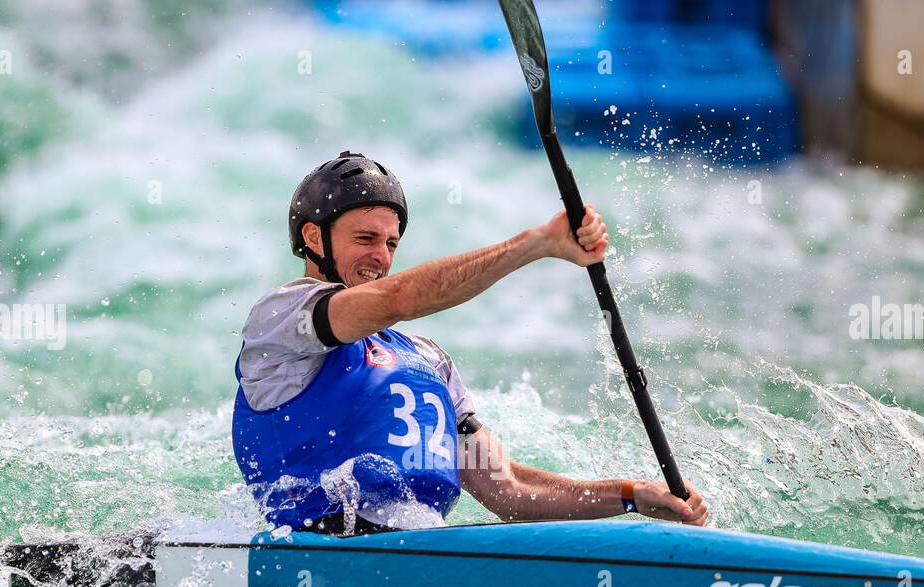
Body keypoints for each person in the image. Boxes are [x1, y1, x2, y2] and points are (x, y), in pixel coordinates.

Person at [232, 150, 709, 534]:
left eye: (391, 243)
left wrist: (632, 496)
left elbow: (512, 491)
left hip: (417, 549)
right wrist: (537, 244)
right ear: (314, 237)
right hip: (311, 550)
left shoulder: (426, 361)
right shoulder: (282, 318)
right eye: (365, 238)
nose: (380, 256)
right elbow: (397, 298)